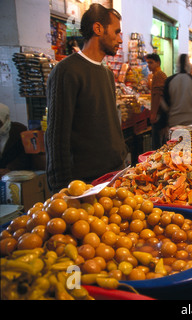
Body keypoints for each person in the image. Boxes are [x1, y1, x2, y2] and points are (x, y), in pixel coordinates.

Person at [45, 3, 128, 193]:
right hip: (83, 183)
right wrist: (61, 187)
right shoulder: (66, 71)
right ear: (98, 29)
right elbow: (57, 135)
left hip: (112, 175)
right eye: (116, 32)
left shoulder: (106, 73)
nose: (119, 40)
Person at [163, 54, 192, 128]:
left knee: (175, 139)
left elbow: (165, 103)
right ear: (189, 65)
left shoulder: (169, 80)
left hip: (174, 121)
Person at [0, 103, 31, 177]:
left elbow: (25, 156)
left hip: (14, 175)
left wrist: (9, 169)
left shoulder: (19, 131)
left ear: (6, 118)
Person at [145, 53, 168, 150]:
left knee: (157, 144)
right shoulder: (157, 74)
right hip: (161, 113)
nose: (149, 65)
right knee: (160, 142)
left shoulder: (158, 75)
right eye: (148, 63)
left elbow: (157, 95)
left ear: (158, 63)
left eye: (151, 62)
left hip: (159, 113)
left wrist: (153, 113)